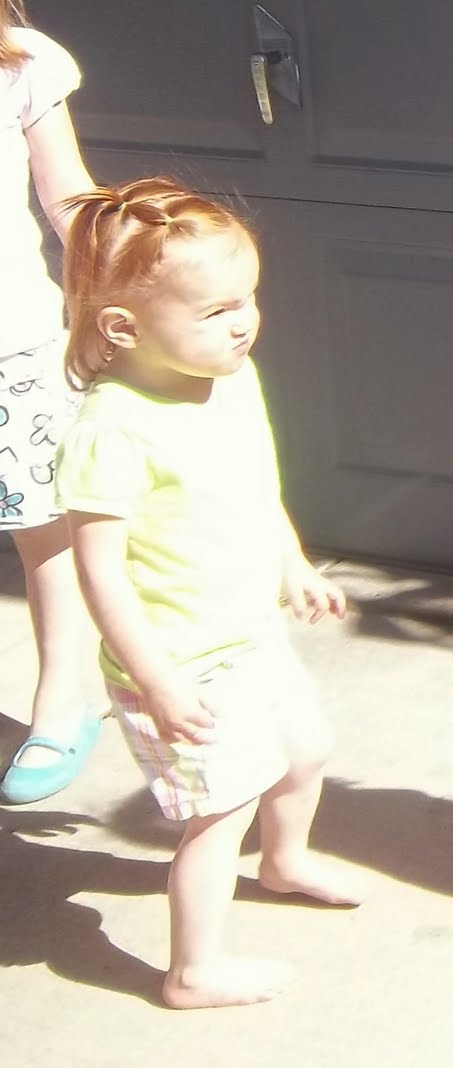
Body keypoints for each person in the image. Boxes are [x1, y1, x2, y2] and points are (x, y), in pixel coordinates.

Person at [55, 176, 363, 1009]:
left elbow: (254, 488)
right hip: (181, 664)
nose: (243, 321)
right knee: (221, 811)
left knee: (305, 751)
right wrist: (155, 680)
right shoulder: (113, 430)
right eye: (216, 310)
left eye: (248, 298)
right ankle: (192, 971)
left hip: (249, 634)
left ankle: (285, 862)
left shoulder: (231, 379)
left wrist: (292, 562)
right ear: (123, 327)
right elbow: (99, 571)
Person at [0, 0, 102, 804]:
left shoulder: (21, 61)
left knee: (46, 531)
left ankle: (64, 702)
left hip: (14, 346)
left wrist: (140, 282)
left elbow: (67, 198)